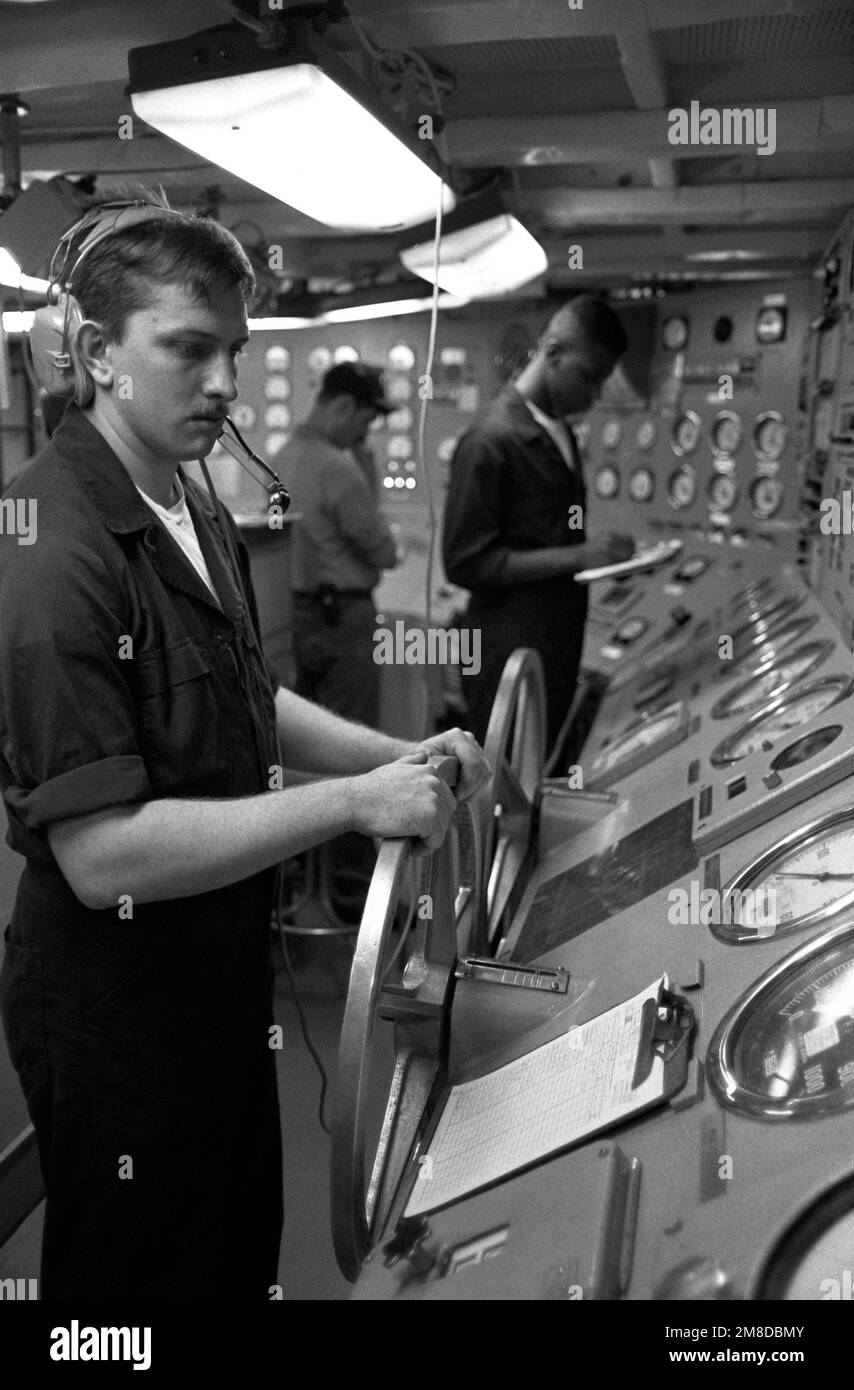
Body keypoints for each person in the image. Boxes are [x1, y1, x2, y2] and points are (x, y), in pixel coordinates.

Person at [0, 197, 489, 1300]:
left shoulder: (188, 496)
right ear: (93, 352)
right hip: (117, 1002)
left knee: (227, 1250)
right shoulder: (49, 550)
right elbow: (104, 854)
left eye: (236, 350)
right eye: (187, 348)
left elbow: (244, 697)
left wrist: (397, 756)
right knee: (136, 1282)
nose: (224, 383)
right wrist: (350, 805)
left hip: (215, 972)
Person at [442, 295, 635, 754]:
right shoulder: (490, 440)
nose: (594, 394)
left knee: (534, 780)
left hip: (554, 647)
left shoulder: (561, 430)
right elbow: (465, 562)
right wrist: (580, 556)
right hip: (507, 654)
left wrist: (602, 560)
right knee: (497, 790)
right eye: (589, 377)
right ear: (552, 352)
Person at [274, 362, 399, 727]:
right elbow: (384, 552)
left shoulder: (280, 457)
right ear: (343, 407)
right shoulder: (337, 467)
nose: (365, 433)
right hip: (343, 622)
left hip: (293, 615)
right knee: (353, 735)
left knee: (308, 739)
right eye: (365, 421)